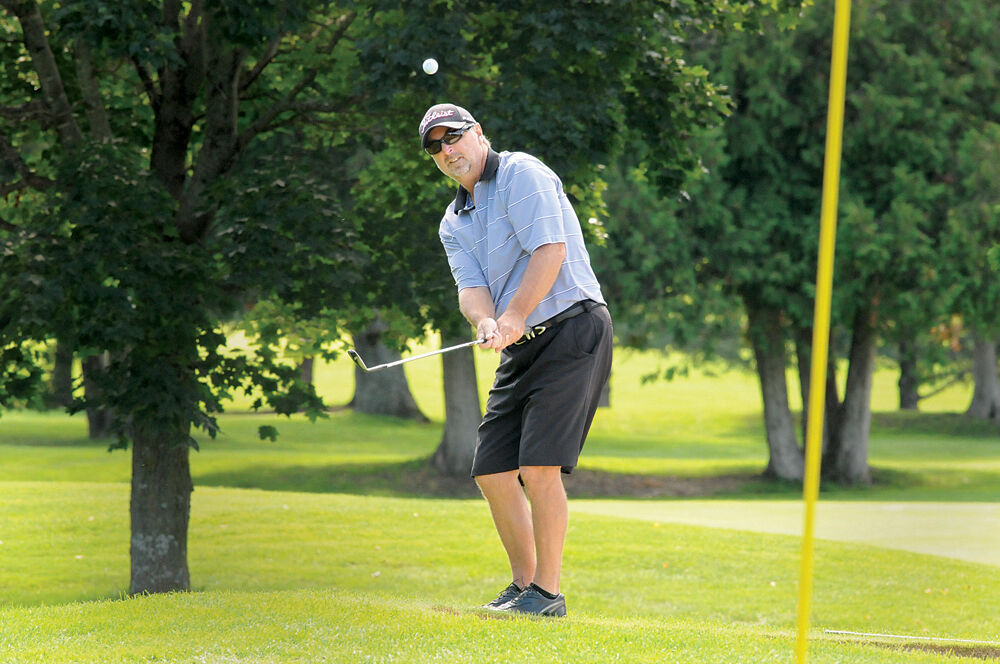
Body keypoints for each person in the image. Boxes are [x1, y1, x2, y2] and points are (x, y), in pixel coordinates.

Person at [418, 103, 613, 617]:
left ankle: (547, 595)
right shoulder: (452, 220)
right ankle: (523, 585)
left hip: (573, 326)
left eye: (453, 137)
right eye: (435, 147)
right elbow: (471, 289)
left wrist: (515, 315)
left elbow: (550, 251)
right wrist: (487, 322)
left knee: (538, 466)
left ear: (478, 133)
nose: (447, 151)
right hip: (520, 342)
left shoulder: (521, 172)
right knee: (492, 470)